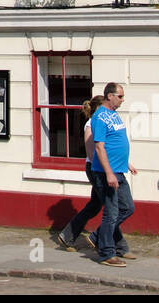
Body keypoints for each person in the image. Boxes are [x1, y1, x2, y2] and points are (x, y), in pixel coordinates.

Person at [89, 82, 137, 267]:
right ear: (110, 96)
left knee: (127, 208)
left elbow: (115, 143)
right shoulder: (100, 117)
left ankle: (98, 236)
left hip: (119, 170)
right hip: (105, 173)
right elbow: (100, 147)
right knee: (111, 213)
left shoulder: (113, 115)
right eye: (120, 96)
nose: (122, 100)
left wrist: (127, 163)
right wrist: (109, 173)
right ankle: (107, 253)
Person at [55, 95, 105, 250]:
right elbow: (91, 152)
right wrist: (104, 170)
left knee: (95, 205)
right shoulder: (91, 124)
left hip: (99, 168)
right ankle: (109, 242)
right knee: (112, 207)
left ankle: (67, 236)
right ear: (97, 108)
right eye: (103, 107)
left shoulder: (100, 122)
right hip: (96, 168)